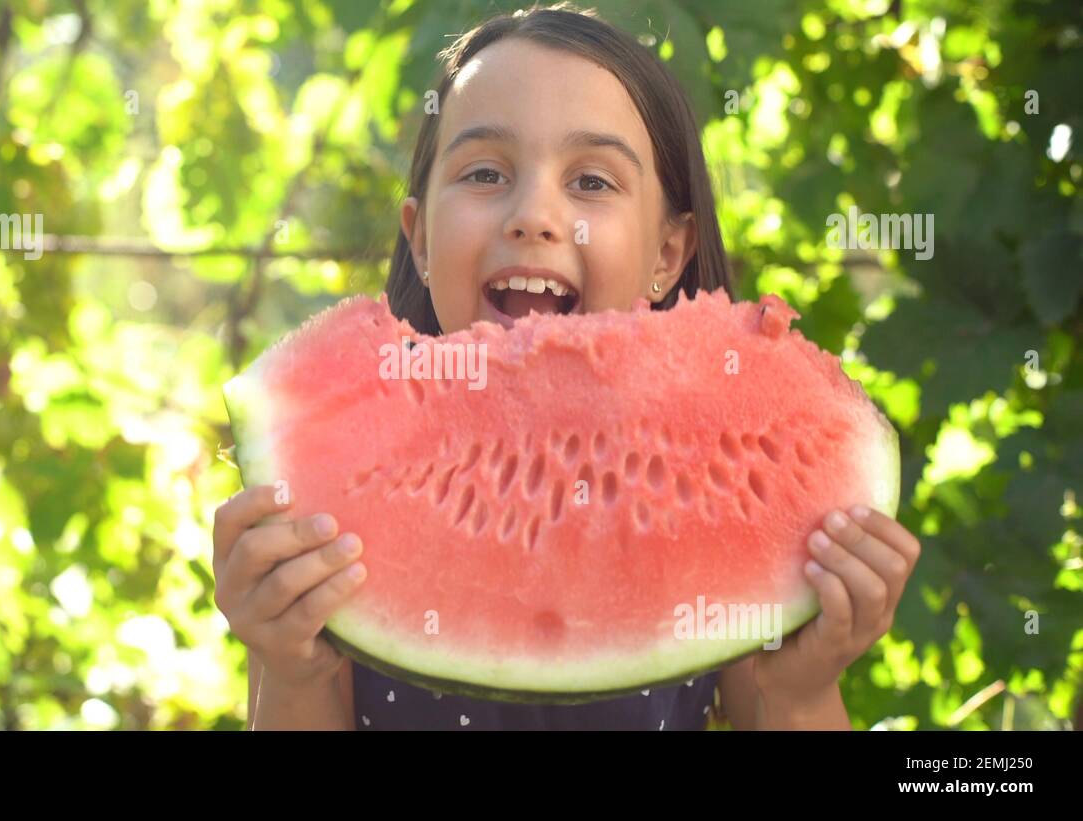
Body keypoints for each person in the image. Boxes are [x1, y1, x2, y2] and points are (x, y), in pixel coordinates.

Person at [212, 3, 922, 730]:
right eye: (486, 172)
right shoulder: (332, 502)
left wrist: (800, 692)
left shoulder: (741, 547)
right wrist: (287, 666)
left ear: (667, 255)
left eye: (592, 182)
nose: (536, 215)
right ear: (419, 239)